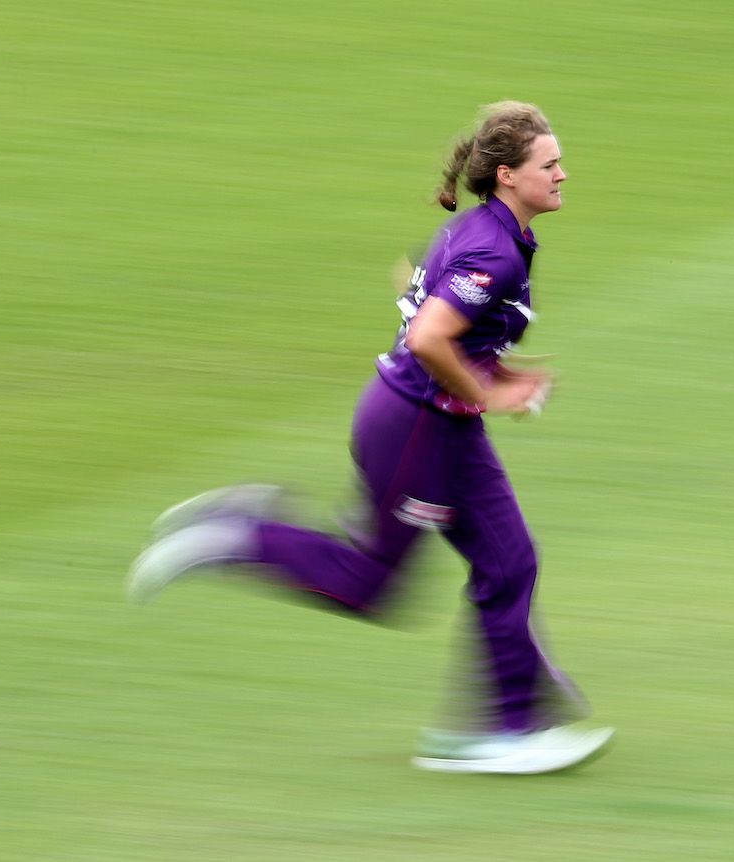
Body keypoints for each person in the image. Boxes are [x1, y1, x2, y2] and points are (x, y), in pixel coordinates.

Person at [128, 101, 613, 775]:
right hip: (417, 428)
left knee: (510, 563)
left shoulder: (487, 232)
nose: (563, 174)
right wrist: (489, 393)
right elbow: (429, 338)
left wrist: (501, 373)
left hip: (441, 425)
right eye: (550, 164)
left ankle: (509, 728)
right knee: (371, 582)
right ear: (507, 175)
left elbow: (437, 319)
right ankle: (239, 537)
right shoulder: (493, 251)